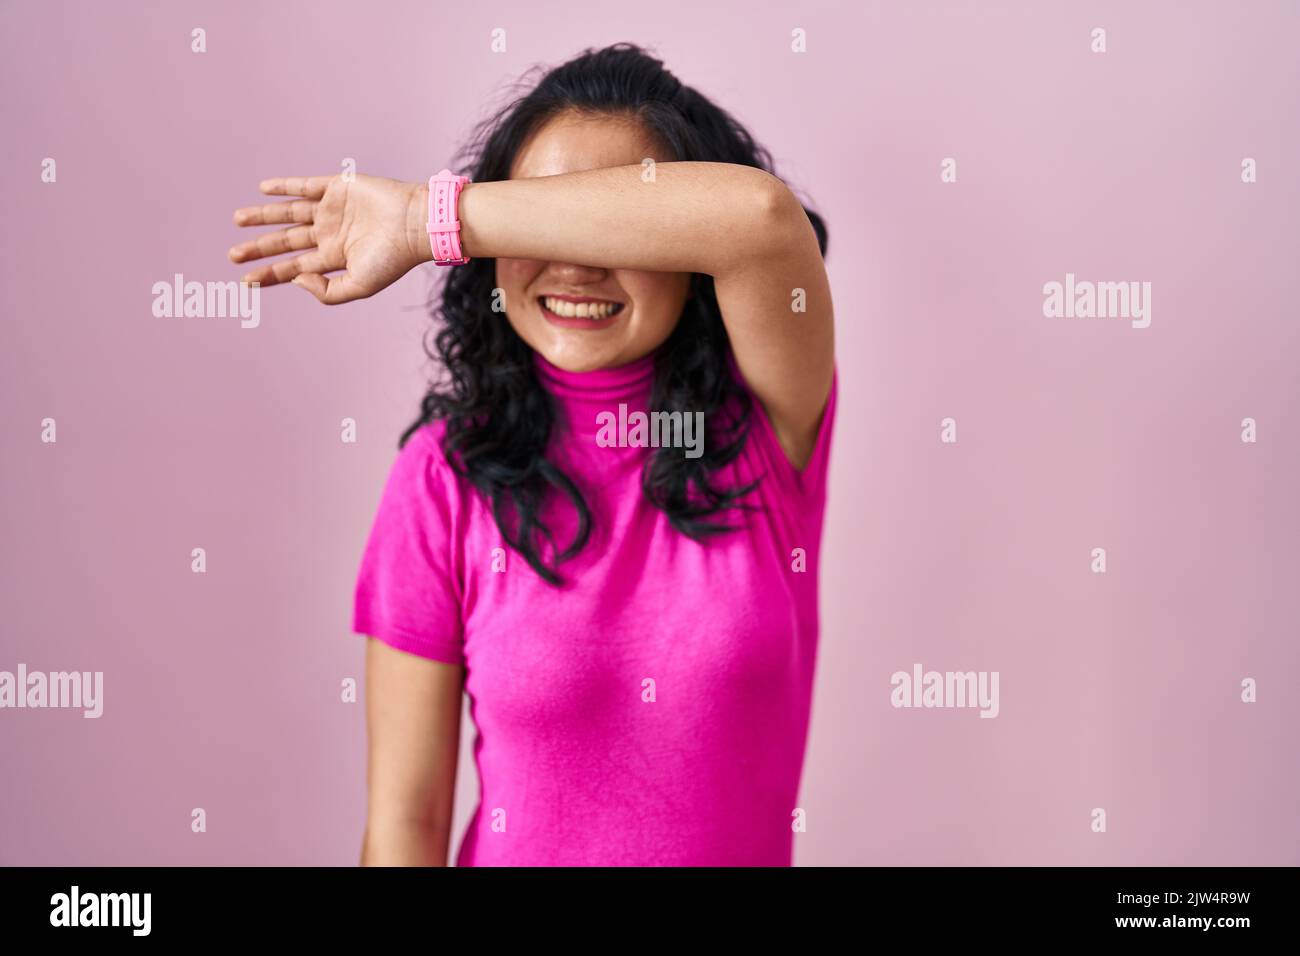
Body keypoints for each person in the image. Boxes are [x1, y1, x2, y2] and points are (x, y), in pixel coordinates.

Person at [229, 43, 836, 866]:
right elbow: (407, 823)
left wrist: (423, 222)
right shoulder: (443, 478)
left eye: (616, 224)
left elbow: (761, 223)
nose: (575, 263)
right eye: (540, 218)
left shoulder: (764, 425)